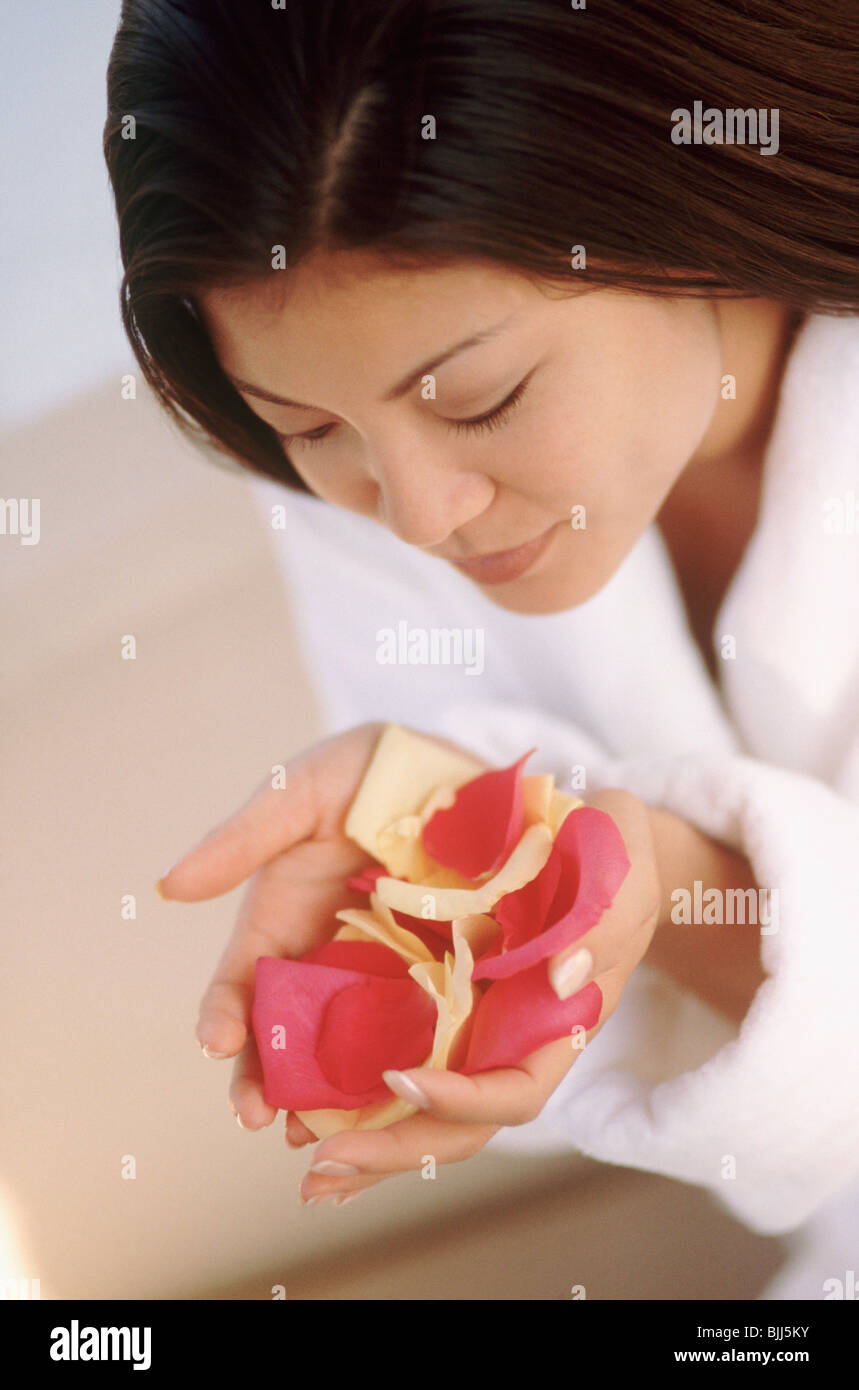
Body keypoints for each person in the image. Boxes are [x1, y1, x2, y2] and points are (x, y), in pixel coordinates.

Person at [104, 0, 859, 1295]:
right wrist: (586, 872)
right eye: (305, 423)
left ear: (696, 203)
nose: (419, 513)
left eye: (481, 397)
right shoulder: (360, 491)